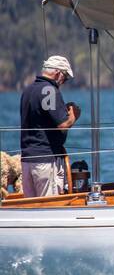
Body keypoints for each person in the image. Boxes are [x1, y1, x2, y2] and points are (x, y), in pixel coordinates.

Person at [19, 55, 81, 197]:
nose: (63, 82)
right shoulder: (49, 90)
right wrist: (74, 115)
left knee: (31, 207)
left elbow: (41, 116)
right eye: (65, 78)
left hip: (27, 159)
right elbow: (63, 124)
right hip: (45, 160)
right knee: (48, 204)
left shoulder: (28, 90)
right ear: (58, 73)